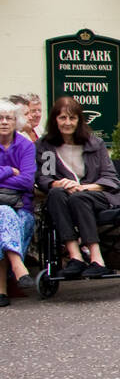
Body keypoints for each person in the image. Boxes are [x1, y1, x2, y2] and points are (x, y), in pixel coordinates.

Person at [35, 97, 120, 279]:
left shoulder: (94, 144)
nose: (68, 123)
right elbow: (46, 176)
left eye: (72, 118)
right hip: (65, 196)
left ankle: (97, 260)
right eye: (62, 118)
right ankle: (76, 257)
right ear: (54, 120)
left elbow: (110, 178)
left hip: (98, 194)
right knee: (55, 193)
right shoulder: (47, 147)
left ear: (79, 120)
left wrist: (85, 187)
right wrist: (57, 183)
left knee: (78, 197)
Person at [0, 99, 38, 304]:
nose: (4, 122)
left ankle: (2, 289)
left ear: (16, 122)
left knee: (5, 215)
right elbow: (20, 178)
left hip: (22, 208)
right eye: (0, 118)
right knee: (4, 213)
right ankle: (17, 267)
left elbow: (27, 181)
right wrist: (8, 171)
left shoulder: (25, 146)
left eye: (9, 118)